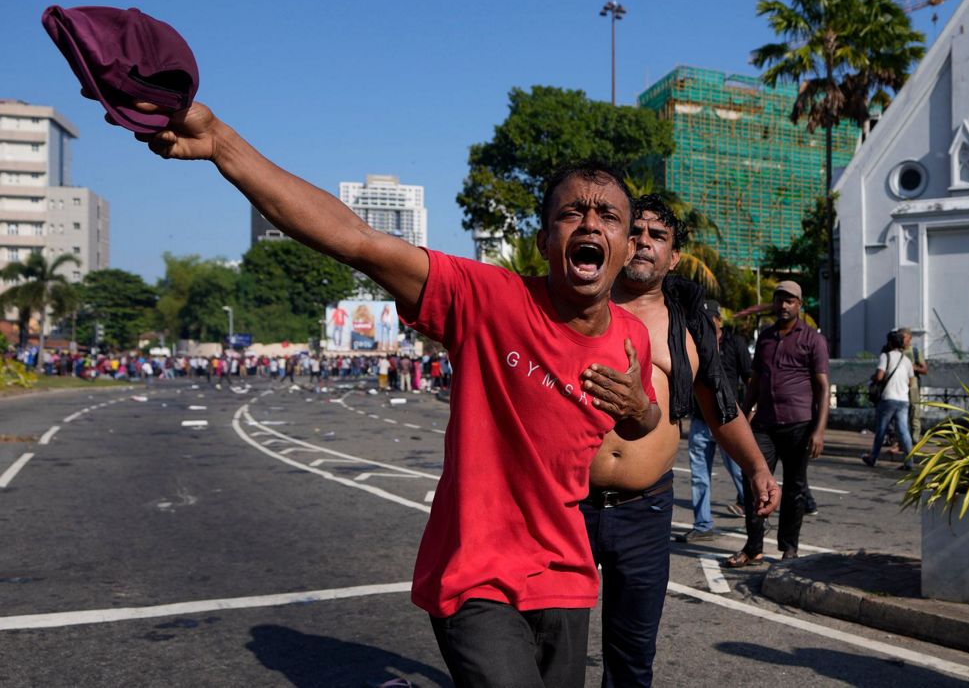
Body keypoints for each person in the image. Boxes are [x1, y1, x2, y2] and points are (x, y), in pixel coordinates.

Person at [127, 97, 661, 687]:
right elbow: (354, 240)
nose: (590, 224)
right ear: (542, 240)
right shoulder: (488, 299)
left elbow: (640, 422)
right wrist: (223, 145)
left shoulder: (631, 336)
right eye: (572, 213)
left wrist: (641, 410)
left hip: (565, 573)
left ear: (625, 246)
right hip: (475, 571)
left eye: (608, 216)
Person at [585, 195, 779, 687]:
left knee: (631, 656)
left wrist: (756, 468)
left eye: (658, 236)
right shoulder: (582, 302)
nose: (644, 243)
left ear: (673, 257)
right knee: (550, 642)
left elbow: (720, 407)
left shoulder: (686, 325)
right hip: (568, 504)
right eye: (637, 232)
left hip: (644, 511)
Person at [727, 280, 828, 567]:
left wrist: (819, 431)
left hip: (799, 424)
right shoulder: (766, 338)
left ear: (799, 304)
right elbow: (756, 380)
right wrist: (744, 413)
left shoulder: (812, 339)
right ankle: (754, 547)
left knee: (795, 488)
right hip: (765, 424)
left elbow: (822, 386)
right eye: (779, 300)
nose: (783, 306)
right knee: (754, 482)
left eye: (790, 301)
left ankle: (789, 547)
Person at [683, 299, 748, 539]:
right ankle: (702, 525)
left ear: (719, 320)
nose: (706, 322)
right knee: (699, 476)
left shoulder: (735, 344)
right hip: (700, 422)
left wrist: (749, 413)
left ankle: (755, 513)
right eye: (702, 317)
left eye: (710, 318)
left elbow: (750, 377)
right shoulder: (693, 344)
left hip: (727, 420)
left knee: (739, 470)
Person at [862, 328, 923, 470]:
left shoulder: (886, 357)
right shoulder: (907, 360)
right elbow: (911, 382)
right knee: (903, 431)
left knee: (881, 430)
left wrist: (873, 377)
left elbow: (879, 377)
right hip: (903, 400)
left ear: (889, 343)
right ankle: (908, 462)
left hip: (888, 398)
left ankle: (873, 458)